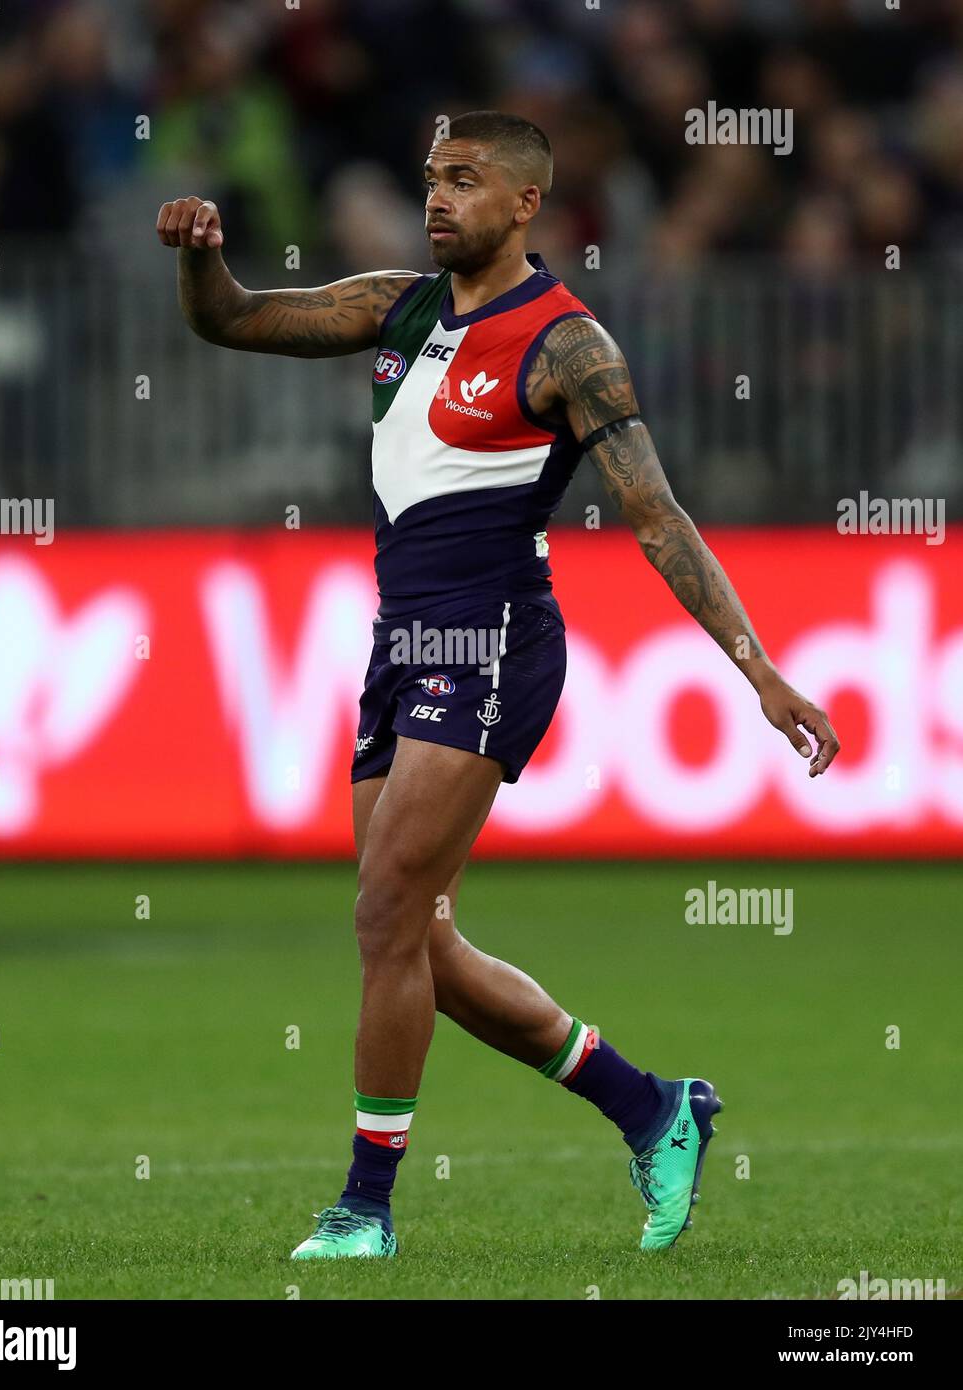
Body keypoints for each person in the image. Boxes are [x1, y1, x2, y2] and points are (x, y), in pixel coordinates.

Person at [157, 110, 840, 1259]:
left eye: (463, 181)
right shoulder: (398, 303)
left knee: (383, 913)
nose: (437, 198)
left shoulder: (569, 345)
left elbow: (656, 515)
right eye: (431, 178)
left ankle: (364, 1210)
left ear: (526, 204)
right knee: (418, 938)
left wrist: (759, 671)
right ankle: (654, 1105)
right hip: (403, 641)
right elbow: (231, 319)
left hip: (491, 642)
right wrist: (198, 256)